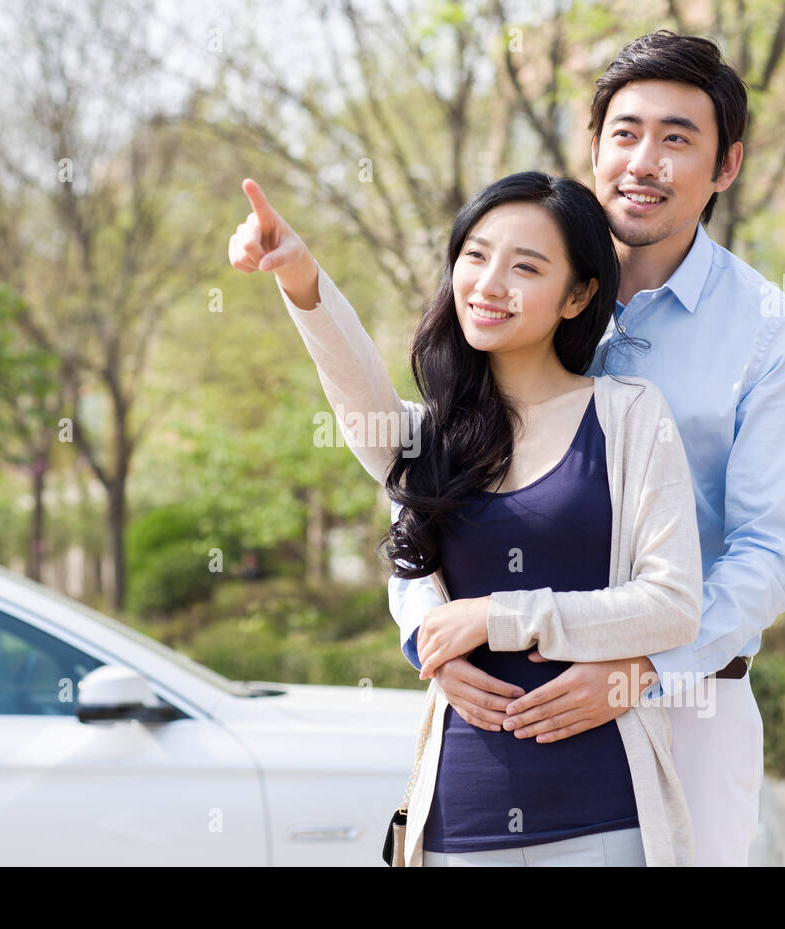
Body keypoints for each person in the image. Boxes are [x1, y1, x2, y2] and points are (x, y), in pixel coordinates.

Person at [388, 31, 785, 866]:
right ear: (593, 148)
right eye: (624, 134)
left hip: (690, 701)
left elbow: (771, 550)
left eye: (676, 138)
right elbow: (425, 485)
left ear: (725, 167)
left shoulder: (765, 331)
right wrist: (427, 639)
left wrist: (642, 668)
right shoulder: (510, 295)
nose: (643, 161)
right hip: (505, 705)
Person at [228, 169, 702, 866]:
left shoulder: (629, 414)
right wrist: (300, 277)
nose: (488, 282)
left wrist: (495, 618)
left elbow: (672, 605)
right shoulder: (429, 440)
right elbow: (358, 391)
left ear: (577, 296)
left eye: (525, 267)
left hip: (605, 816)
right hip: (463, 820)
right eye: (475, 256)